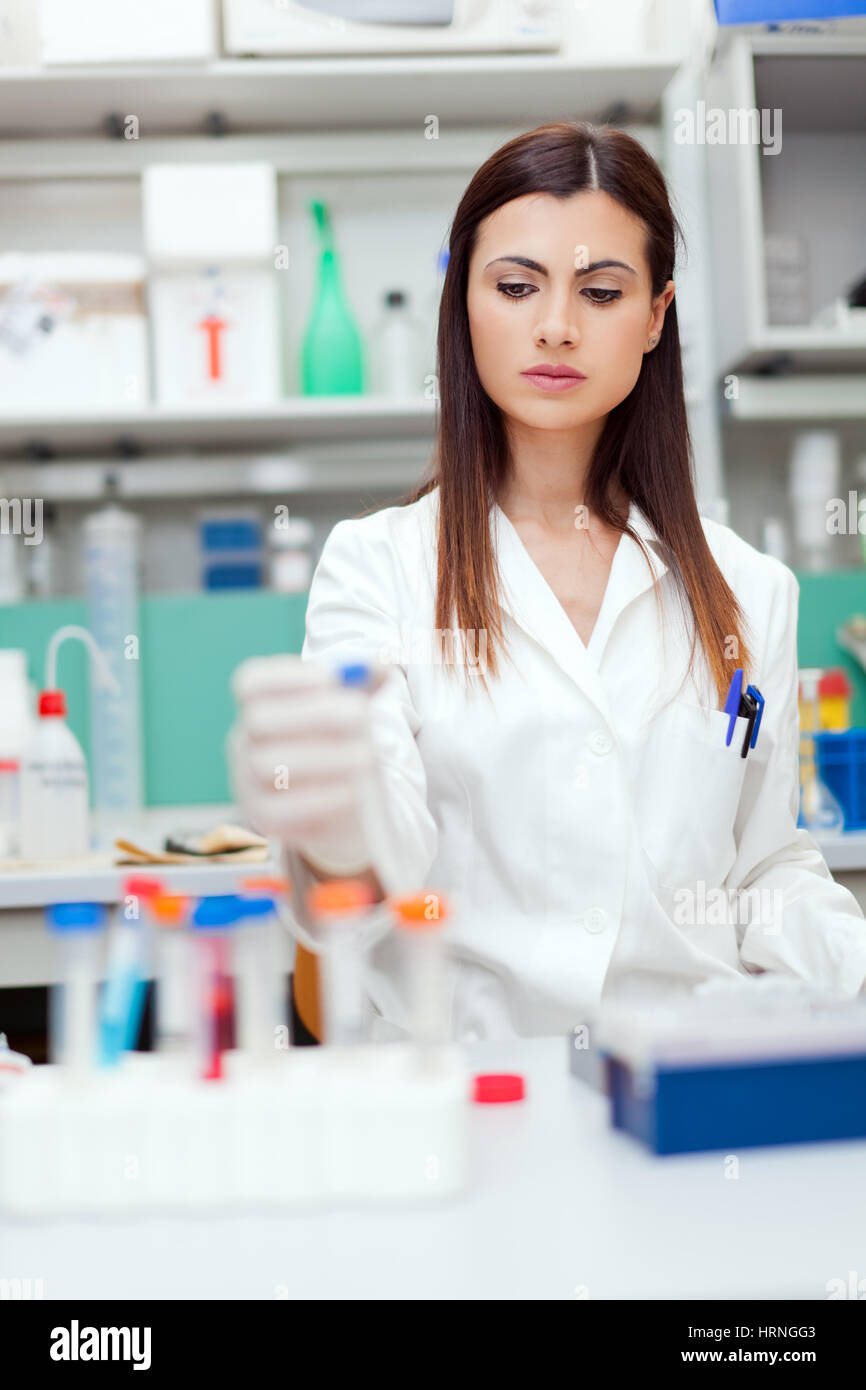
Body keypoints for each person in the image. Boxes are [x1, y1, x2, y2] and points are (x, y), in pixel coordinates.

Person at [228, 121, 866, 1043]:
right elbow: (383, 847)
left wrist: (846, 960)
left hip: (680, 1075)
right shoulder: (381, 567)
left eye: (602, 292)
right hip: (466, 1088)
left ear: (656, 316)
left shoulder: (747, 588)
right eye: (516, 286)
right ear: (465, 305)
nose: (557, 325)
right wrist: (336, 824)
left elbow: (765, 869)